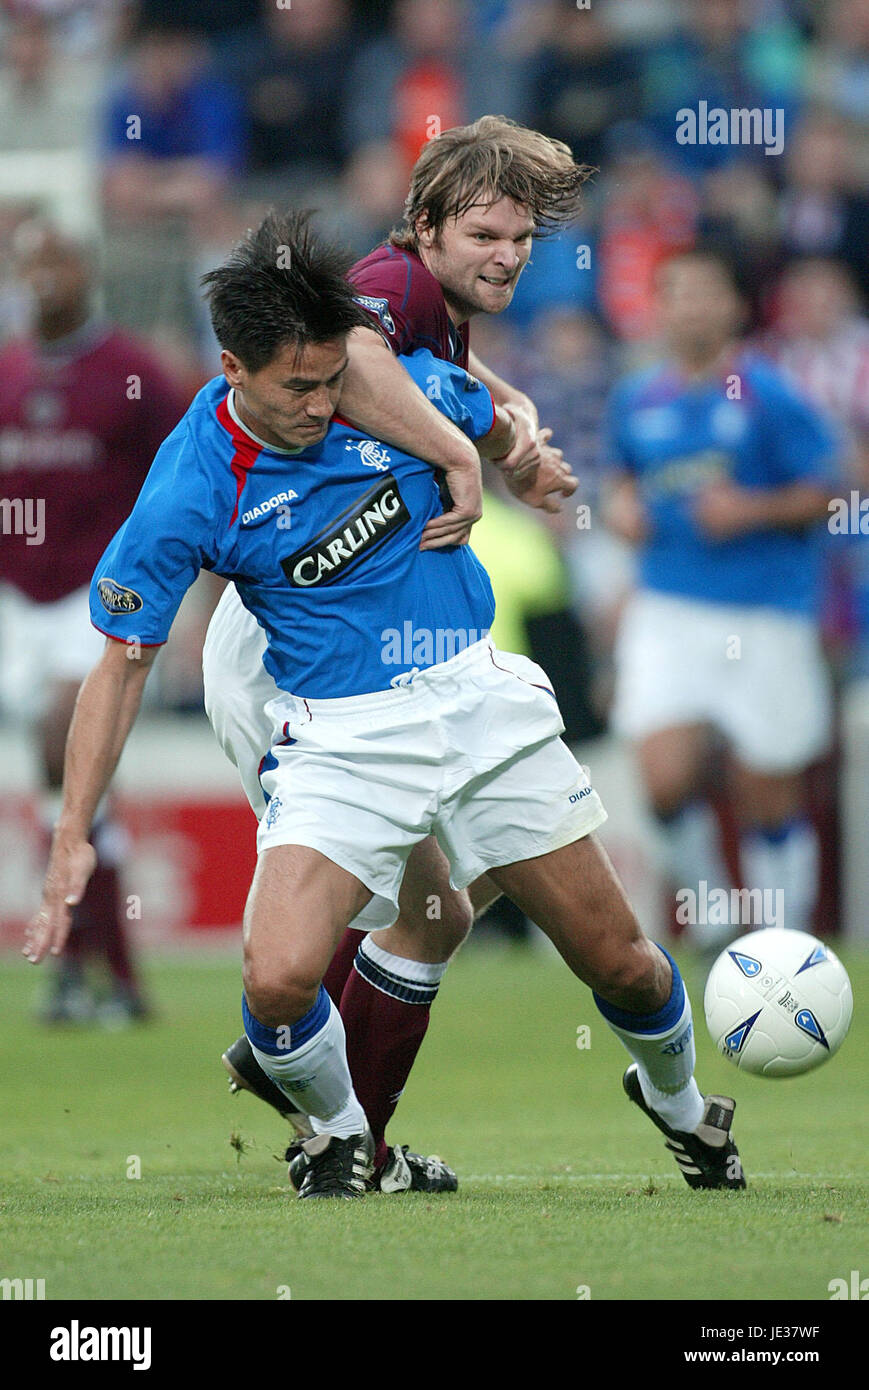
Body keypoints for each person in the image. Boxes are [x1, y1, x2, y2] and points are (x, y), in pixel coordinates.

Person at [26, 211, 746, 1200]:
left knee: (617, 963)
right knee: (276, 981)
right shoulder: (192, 483)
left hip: (478, 704)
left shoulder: (382, 392)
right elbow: (120, 664)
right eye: (297, 389)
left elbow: (482, 408)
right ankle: (339, 1136)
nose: (325, 406)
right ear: (230, 367)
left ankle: (680, 1107)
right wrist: (73, 827)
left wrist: (519, 456)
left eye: (334, 377)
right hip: (342, 735)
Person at [211, 115, 584, 1190]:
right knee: (426, 907)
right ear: (424, 229)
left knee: (454, 893)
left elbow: (448, 376)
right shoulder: (388, 285)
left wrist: (510, 431)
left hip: (359, 639)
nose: (507, 256)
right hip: (297, 642)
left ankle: (307, 1080)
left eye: (521, 238)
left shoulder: (432, 304)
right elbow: (362, 358)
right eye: (485, 233)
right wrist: (465, 459)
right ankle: (328, 1118)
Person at [604, 248, 839, 951]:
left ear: (735, 308)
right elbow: (619, 478)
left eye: (706, 293)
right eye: (676, 293)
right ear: (659, 307)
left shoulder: (771, 394)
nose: (691, 307)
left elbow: (829, 491)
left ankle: (782, 934)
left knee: (765, 783)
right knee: (662, 777)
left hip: (764, 608)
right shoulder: (637, 396)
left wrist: (752, 510)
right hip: (669, 605)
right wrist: (619, 510)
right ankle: (709, 912)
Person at [0, 220, 187, 1024]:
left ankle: (84, 971)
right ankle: (109, 976)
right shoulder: (6, 372)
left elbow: (188, 474)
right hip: (15, 597)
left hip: (97, 596)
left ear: (85, 270)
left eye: (57, 261)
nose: (42, 276)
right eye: (29, 262)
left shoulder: (133, 373)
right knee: (74, 794)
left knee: (60, 745)